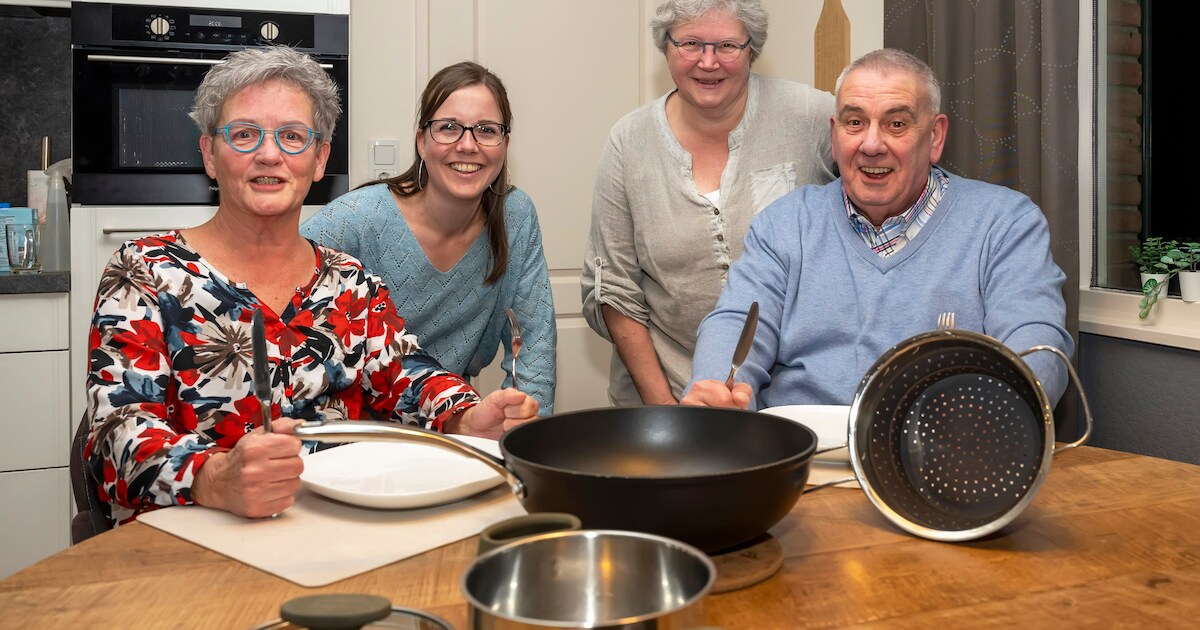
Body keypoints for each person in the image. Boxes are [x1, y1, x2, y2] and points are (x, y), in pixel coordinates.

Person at [83, 46, 538, 528]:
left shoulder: (349, 283)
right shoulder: (144, 273)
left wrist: (466, 417)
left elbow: (406, 375)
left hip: (329, 537)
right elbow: (116, 434)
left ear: (320, 159)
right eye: (244, 134)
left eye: (292, 136)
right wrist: (214, 478)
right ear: (209, 155)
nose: (269, 154)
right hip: (183, 544)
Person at [682, 48, 1072, 410]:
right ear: (834, 134)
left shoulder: (1005, 223)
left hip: (937, 448)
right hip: (799, 447)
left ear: (935, 136)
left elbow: (1037, 344)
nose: (871, 144)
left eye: (896, 124)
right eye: (855, 123)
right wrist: (718, 388)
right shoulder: (784, 224)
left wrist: (993, 414)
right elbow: (737, 322)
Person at [581, 0, 837, 406]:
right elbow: (615, 289)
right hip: (666, 390)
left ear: (752, 48)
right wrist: (667, 411)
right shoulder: (629, 142)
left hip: (790, 398)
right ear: (666, 46)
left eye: (727, 46)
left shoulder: (812, 117)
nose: (708, 62)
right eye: (690, 43)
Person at [302, 62, 556, 415]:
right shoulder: (354, 221)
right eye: (448, 127)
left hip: (452, 420)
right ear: (421, 141)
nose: (468, 145)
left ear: (504, 144)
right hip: (353, 431)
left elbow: (535, 346)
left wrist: (521, 429)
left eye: (486, 130)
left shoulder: (515, 216)